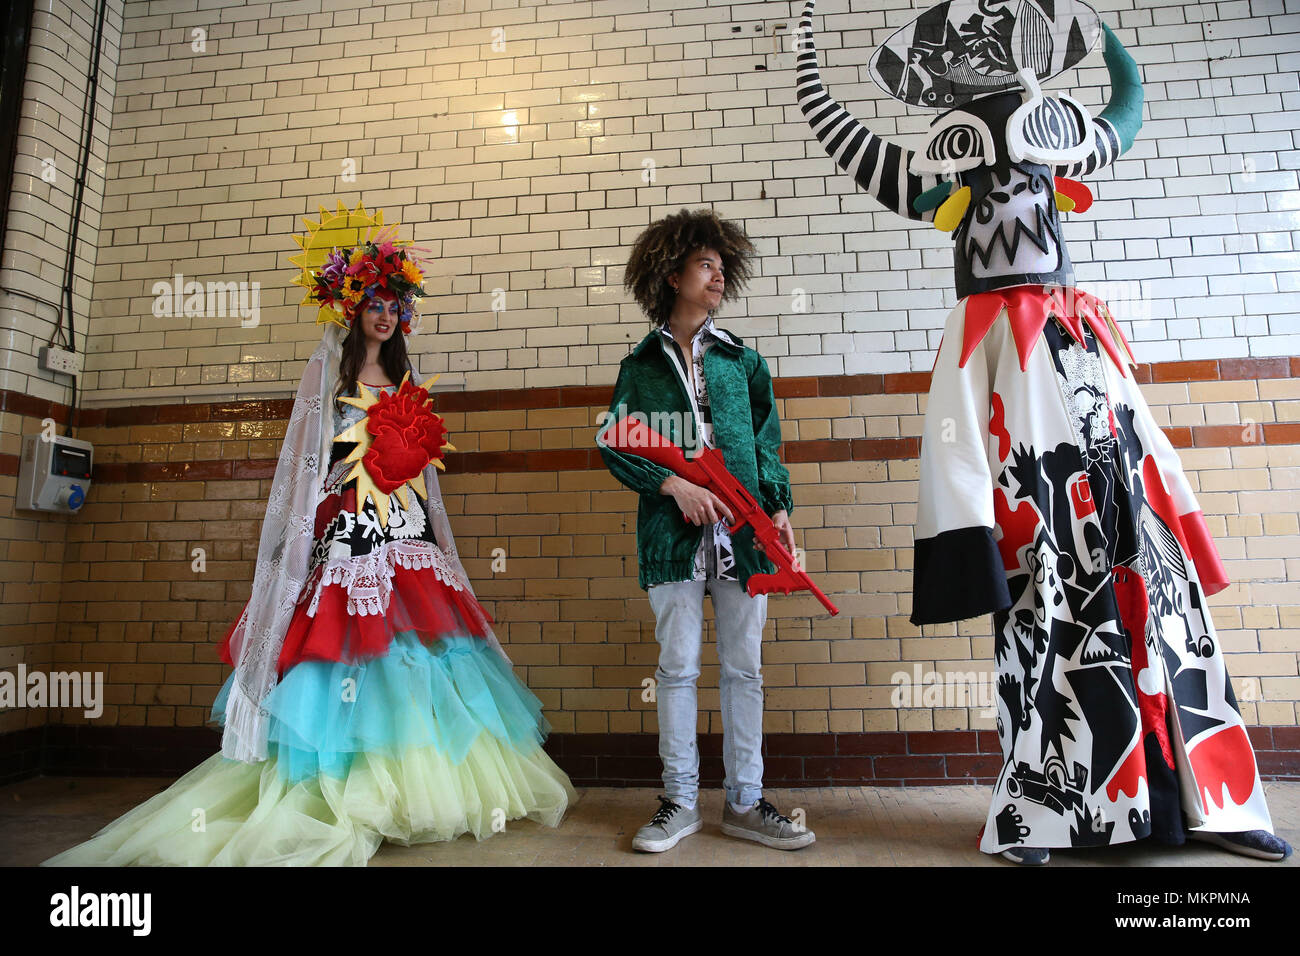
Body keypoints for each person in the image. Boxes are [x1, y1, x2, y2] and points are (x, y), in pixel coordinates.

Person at [43, 212, 575, 866]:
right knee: (351, 645)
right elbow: (304, 460)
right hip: (348, 526)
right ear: (354, 310)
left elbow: (421, 459)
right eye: (375, 305)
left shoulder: (406, 378)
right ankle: (345, 783)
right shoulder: (327, 374)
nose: (385, 316)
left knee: (414, 649)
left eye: (395, 307)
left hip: (406, 526)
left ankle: (417, 787)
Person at [597, 208, 814, 853]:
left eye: (723, 267)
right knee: (678, 669)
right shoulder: (640, 368)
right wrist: (673, 485)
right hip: (673, 539)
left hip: (747, 540)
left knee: (745, 671)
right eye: (705, 265)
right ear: (671, 274)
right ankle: (679, 802)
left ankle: (746, 803)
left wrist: (778, 508)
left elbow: (766, 444)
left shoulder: (742, 361)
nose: (718, 277)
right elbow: (617, 443)